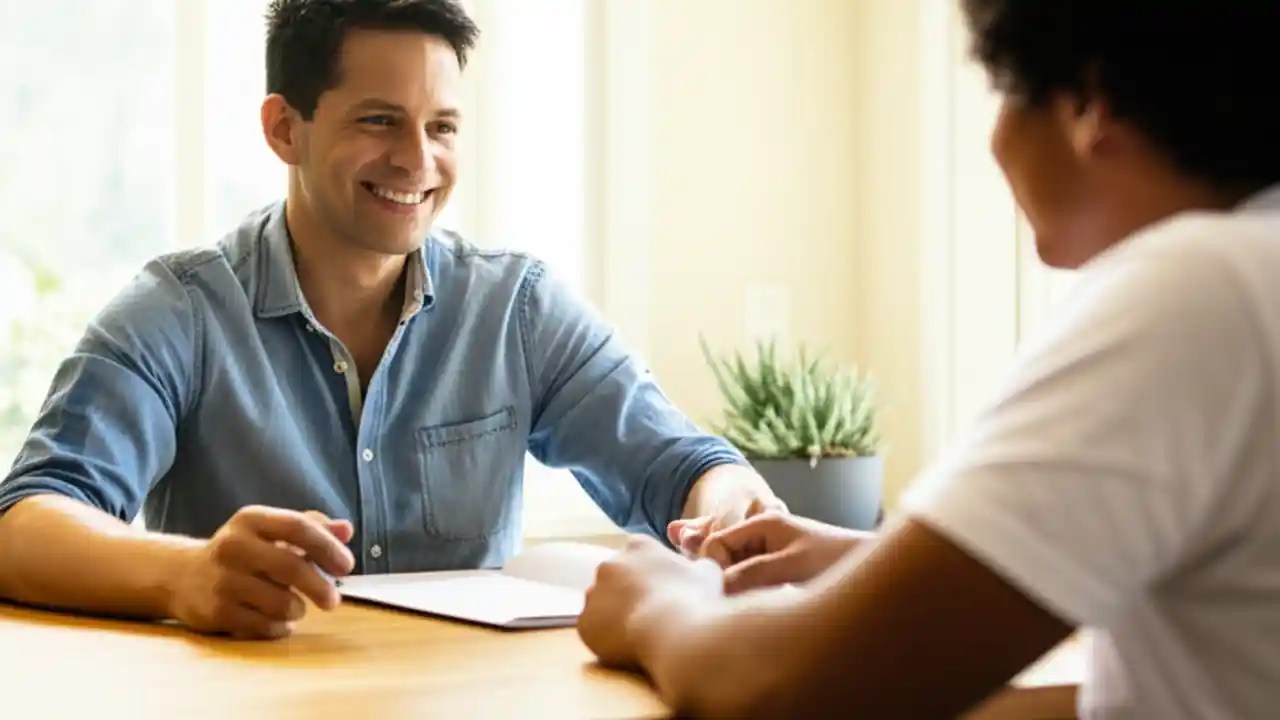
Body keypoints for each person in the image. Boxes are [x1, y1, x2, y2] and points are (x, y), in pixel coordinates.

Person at [577, 0, 1280, 717]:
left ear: (1089, 104)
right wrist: (876, 570)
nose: (996, 137)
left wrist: (656, 603)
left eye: (1004, 92)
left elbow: (777, 686)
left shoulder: (1202, 289)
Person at [0, 0, 779, 641]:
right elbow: (24, 522)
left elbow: (681, 467)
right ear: (284, 129)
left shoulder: (519, 308)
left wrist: (733, 508)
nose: (418, 160)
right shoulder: (179, 311)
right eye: (379, 121)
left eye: (442, 126)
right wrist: (187, 573)